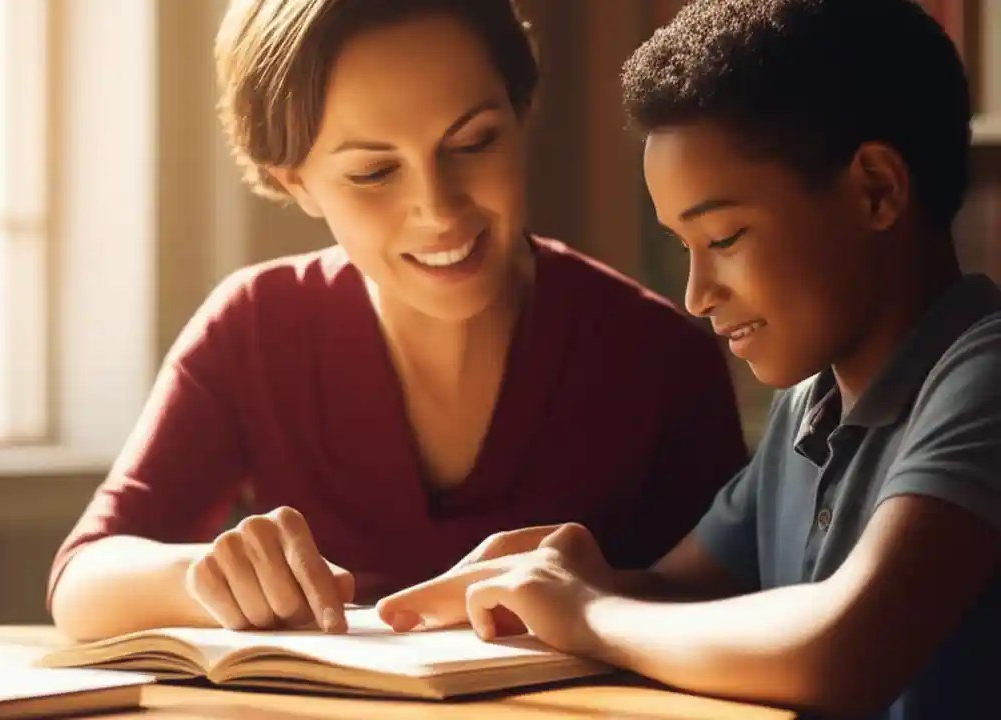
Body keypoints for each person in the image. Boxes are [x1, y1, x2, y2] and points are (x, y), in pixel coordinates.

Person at [47, 0, 746, 642]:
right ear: (295, 181)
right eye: (375, 174)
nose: (438, 209)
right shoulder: (256, 330)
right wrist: (203, 577)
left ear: (521, 110)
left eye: (473, 144)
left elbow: (742, 610)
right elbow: (82, 579)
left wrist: (607, 598)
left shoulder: (656, 354)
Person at [376, 1, 1001, 717]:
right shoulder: (813, 404)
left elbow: (843, 649)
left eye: (725, 238)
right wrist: (567, 575)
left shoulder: (984, 376)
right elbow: (687, 593)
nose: (697, 295)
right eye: (684, 247)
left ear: (876, 190)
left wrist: (586, 612)